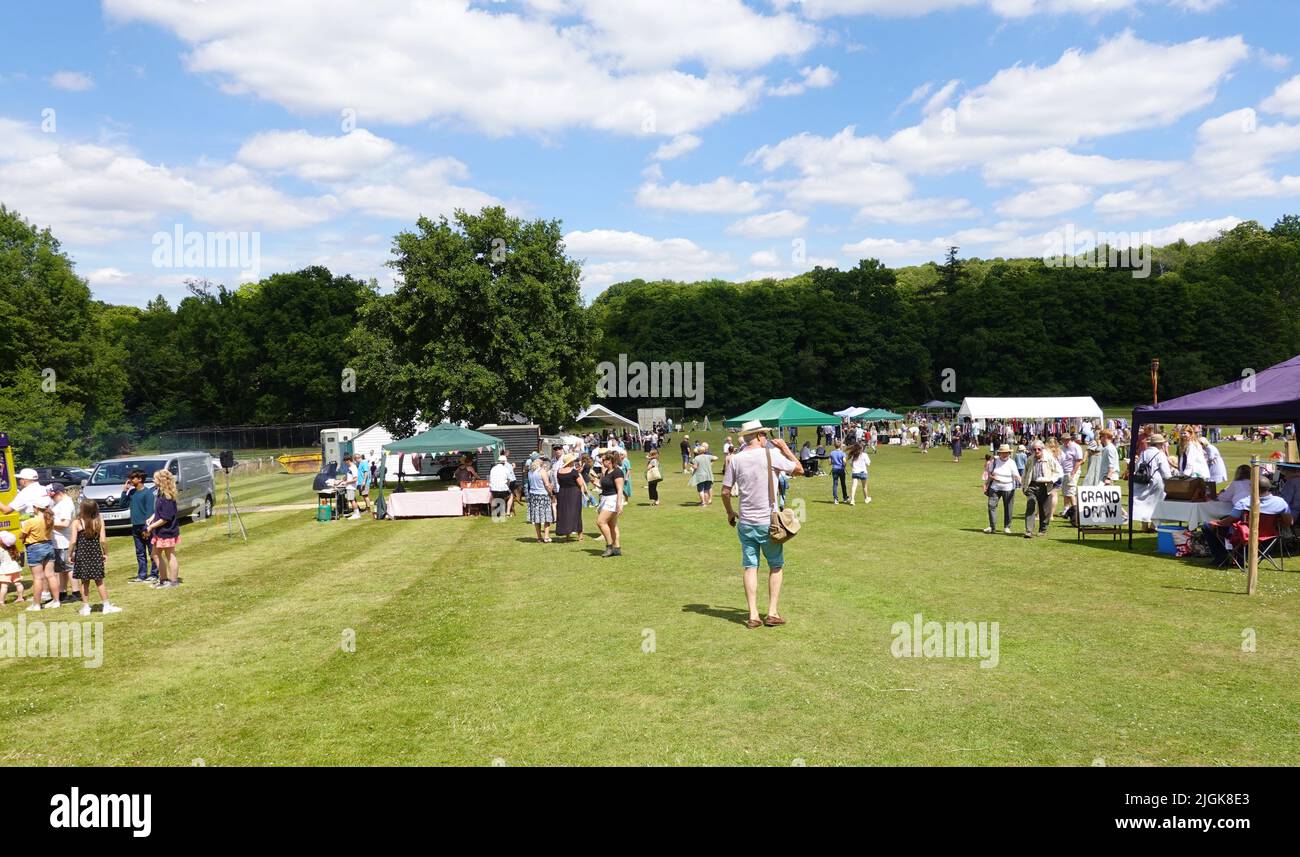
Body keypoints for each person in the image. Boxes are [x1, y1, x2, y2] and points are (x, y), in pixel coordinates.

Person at [721, 420, 802, 629]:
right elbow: (799, 469)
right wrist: (785, 449)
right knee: (775, 566)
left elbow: (725, 491)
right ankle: (772, 612)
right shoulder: (771, 455)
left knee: (750, 567)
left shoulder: (735, 459)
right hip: (768, 522)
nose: (766, 437)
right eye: (764, 435)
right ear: (758, 436)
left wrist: (730, 512)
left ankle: (753, 614)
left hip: (746, 521)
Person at [1199, 476, 1293, 566]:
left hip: (1246, 537)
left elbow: (1229, 521)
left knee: (1207, 526)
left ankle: (1221, 557)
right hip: (1269, 538)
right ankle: (1236, 556)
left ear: (1255, 488)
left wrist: (1217, 523)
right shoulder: (1280, 502)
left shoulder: (1245, 502)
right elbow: (1289, 522)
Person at [70, 497, 120, 615]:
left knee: (84, 582)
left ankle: (86, 607)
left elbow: (72, 541)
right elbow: (103, 540)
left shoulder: (77, 522)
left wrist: (70, 554)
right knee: (99, 581)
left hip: (82, 554)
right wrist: (105, 553)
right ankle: (106, 605)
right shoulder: (99, 521)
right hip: (95, 553)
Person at [145, 468, 182, 588]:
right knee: (155, 554)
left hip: (167, 532)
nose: (153, 480)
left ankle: (172, 581)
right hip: (161, 531)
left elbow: (165, 518)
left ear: (161, 481)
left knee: (169, 554)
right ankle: (164, 579)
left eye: (155, 478)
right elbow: (159, 512)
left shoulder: (167, 498)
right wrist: (152, 517)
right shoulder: (160, 494)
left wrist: (151, 526)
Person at [122, 469, 159, 583]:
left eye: (133, 478)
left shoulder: (147, 493)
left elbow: (149, 512)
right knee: (140, 552)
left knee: (151, 551)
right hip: (135, 526)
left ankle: (154, 574)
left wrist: (148, 528)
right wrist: (125, 491)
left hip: (145, 526)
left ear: (140, 479)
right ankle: (142, 574)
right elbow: (123, 504)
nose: (130, 480)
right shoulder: (132, 492)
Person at [21, 495, 58, 610]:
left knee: (38, 578)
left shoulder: (30, 521)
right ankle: (56, 601)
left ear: (36, 508)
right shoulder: (50, 520)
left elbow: (21, 535)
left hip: (34, 547)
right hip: (48, 545)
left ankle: (36, 604)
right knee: (50, 575)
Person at [1132, 433, 1174, 531]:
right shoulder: (1160, 454)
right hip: (1156, 481)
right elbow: (1166, 472)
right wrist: (1170, 480)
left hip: (1143, 479)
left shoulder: (1143, 453)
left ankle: (1144, 525)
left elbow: (1137, 466)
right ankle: (1154, 525)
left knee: (1144, 502)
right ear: (1160, 444)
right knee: (1157, 503)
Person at [1023, 441, 1063, 538]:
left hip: (1045, 486)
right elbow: (1025, 473)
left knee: (1044, 509)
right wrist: (1024, 486)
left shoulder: (1049, 458)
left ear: (1042, 449)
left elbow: (1059, 472)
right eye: (1034, 449)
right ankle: (1029, 531)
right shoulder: (1030, 459)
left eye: (1039, 449)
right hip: (1032, 485)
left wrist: (1051, 480)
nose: (1037, 451)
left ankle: (1043, 529)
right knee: (1030, 505)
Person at [48, 483, 79, 603]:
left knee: (69, 568)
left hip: (64, 541)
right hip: (59, 542)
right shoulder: (60, 502)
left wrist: (49, 523)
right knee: (61, 569)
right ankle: (63, 592)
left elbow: (65, 523)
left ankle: (76, 593)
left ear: (59, 493)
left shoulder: (66, 504)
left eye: (52, 496)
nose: (51, 498)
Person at [984, 444, 1020, 534]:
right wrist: (987, 483)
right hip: (995, 487)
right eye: (1003, 453)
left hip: (1008, 487)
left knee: (1008, 507)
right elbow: (990, 473)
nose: (1005, 455)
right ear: (999, 453)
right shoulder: (994, 461)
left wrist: (1020, 481)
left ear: (1009, 453)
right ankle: (992, 527)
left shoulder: (1012, 462)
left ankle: (1007, 527)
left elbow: (1016, 475)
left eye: (1006, 453)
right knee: (991, 506)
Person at [596, 450, 625, 557]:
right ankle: (617, 548)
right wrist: (594, 481)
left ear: (610, 461)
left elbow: (620, 489)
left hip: (613, 499)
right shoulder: (607, 471)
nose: (602, 461)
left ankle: (609, 546)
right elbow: (604, 486)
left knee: (600, 522)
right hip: (605, 498)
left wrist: (619, 504)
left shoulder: (617, 472)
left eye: (604, 460)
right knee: (611, 525)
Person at [554, 453, 586, 541]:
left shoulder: (559, 471)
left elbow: (559, 483)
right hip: (574, 493)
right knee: (576, 513)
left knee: (564, 513)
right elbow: (580, 483)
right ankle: (580, 535)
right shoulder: (573, 472)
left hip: (562, 492)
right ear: (570, 462)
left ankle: (567, 534)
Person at [526, 457, 555, 543]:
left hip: (533, 496)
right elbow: (546, 484)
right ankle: (546, 537)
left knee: (536, 518)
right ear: (541, 465)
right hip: (543, 495)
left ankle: (539, 537)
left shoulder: (530, 472)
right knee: (546, 517)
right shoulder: (542, 471)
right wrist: (551, 493)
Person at [1058, 434, 1085, 520]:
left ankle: (1075, 511)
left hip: (1073, 472)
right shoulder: (1062, 447)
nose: (1065, 442)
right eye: (1063, 440)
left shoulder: (1076, 447)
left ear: (1070, 439)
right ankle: (1066, 509)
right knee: (1065, 491)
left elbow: (1079, 461)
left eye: (1067, 440)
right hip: (1064, 472)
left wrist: (1073, 473)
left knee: (1071, 491)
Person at [0, 531, 26, 605]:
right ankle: (20, 598)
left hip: (5, 570)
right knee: (18, 584)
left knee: (4, 586)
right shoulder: (13, 549)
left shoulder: (1, 550)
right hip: (15, 569)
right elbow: (19, 557)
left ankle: (1, 602)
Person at [689, 442, 718, 506]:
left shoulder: (697, 458)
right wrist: (710, 462)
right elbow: (716, 457)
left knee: (701, 490)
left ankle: (703, 502)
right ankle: (706, 502)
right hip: (708, 475)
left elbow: (695, 467)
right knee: (706, 490)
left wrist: (691, 465)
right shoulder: (708, 456)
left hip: (700, 476)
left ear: (698, 452)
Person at [488, 454, 515, 519]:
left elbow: (490, 479)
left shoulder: (493, 469)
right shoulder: (505, 469)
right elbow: (509, 479)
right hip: (503, 490)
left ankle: (492, 512)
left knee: (492, 497)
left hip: (494, 490)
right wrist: (507, 485)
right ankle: (508, 512)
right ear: (504, 462)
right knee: (511, 496)